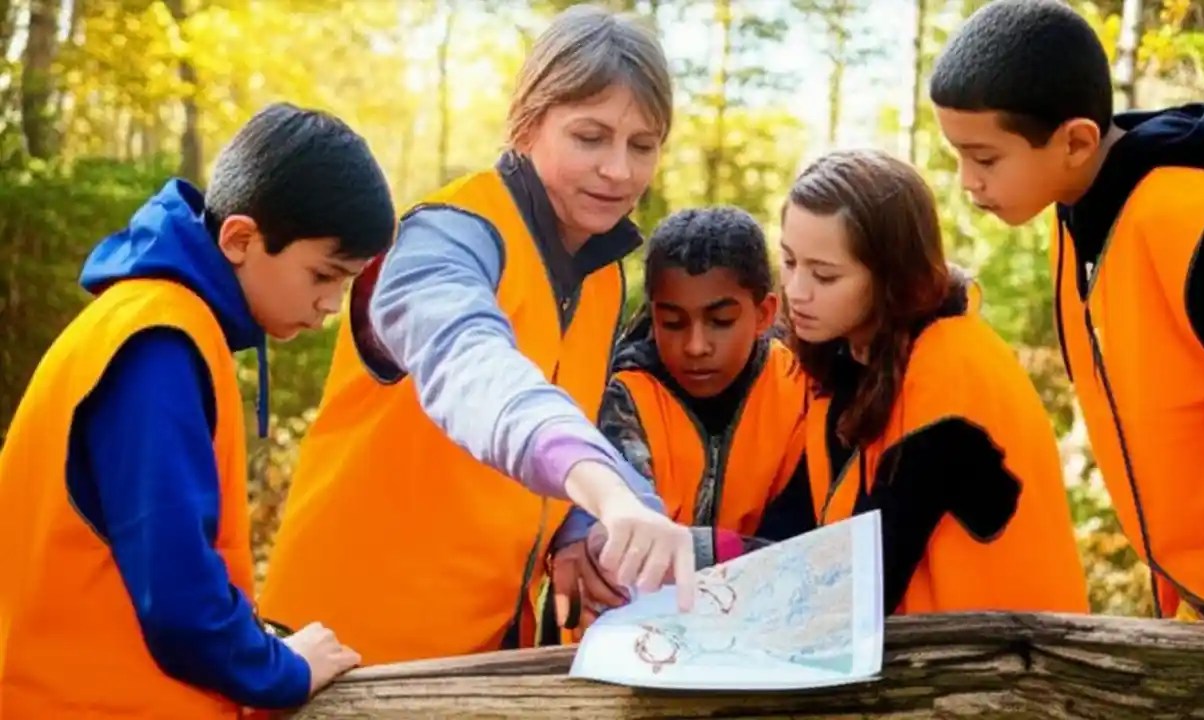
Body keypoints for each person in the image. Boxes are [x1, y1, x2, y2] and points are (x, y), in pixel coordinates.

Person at [258, 5, 694, 667]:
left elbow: (563, 419)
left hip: (481, 653)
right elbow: (475, 373)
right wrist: (605, 489)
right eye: (590, 137)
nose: (618, 170)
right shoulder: (442, 238)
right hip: (343, 653)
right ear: (528, 123)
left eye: (642, 145)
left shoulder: (603, 278)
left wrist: (577, 526)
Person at [0, 103, 397, 717]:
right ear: (239, 239)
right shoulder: (158, 344)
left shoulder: (150, 321)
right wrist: (284, 670)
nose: (329, 305)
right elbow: (179, 597)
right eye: (323, 275)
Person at [929, 0, 1204, 669]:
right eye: (959, 155)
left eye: (984, 157)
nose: (968, 182)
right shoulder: (1079, 207)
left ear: (1077, 142)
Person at [780, 148, 1089, 616]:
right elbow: (798, 524)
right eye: (788, 262)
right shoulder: (848, 360)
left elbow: (869, 577)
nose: (796, 291)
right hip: (931, 650)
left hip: (1006, 655)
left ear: (891, 278)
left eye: (824, 275)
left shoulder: (952, 371)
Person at [549, 207, 814, 635]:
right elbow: (621, 551)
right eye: (671, 323)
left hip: (764, 630)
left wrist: (704, 550)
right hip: (631, 637)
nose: (695, 346)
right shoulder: (622, 398)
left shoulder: (801, 386)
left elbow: (807, 543)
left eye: (721, 321)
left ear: (765, 313)